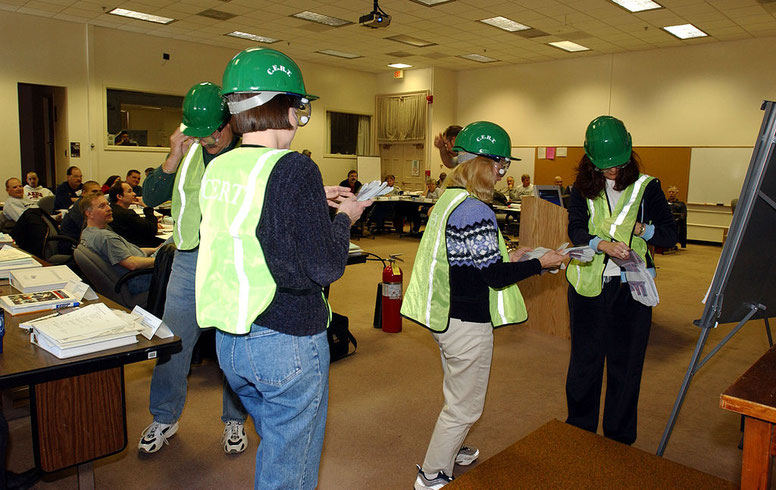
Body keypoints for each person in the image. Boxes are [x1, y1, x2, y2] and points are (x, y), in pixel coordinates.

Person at [195, 47, 370, 489]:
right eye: (300, 107)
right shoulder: (295, 168)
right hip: (286, 340)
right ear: (285, 108)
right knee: (289, 467)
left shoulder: (219, 165)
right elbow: (325, 266)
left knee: (274, 444)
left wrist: (314, 203)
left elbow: (256, 225)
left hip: (231, 342)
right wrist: (345, 218)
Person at [401, 121, 565, 490]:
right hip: (467, 321)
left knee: (456, 391)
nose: (502, 173)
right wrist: (542, 263)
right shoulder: (476, 210)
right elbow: (493, 276)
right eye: (498, 165)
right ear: (476, 163)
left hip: (446, 315)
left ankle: (451, 448)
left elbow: (470, 259)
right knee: (465, 405)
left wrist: (513, 253)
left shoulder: (449, 200)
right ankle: (431, 474)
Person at [140, 81, 248, 455]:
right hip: (189, 260)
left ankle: (234, 419)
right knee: (173, 345)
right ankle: (164, 417)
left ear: (230, 122)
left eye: (212, 133)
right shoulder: (189, 151)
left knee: (233, 347)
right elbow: (151, 196)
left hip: (232, 262)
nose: (207, 141)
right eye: (198, 135)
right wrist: (173, 154)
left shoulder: (248, 152)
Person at [564, 115, 676, 446]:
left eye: (618, 165)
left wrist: (644, 230)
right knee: (584, 363)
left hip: (632, 291)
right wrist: (600, 244)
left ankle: (618, 438)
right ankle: (579, 430)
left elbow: (671, 234)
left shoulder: (647, 186)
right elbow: (576, 228)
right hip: (588, 288)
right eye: (604, 167)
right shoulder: (582, 189)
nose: (612, 172)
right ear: (590, 160)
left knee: (625, 368)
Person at [80, 193, 156, 294]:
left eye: (108, 204)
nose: (109, 209)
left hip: (139, 269)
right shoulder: (106, 238)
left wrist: (155, 249)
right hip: (140, 277)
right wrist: (160, 259)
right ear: (89, 214)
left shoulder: (87, 232)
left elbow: (125, 253)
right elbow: (132, 264)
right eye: (102, 206)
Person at [108, 182, 160, 247]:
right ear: (119, 196)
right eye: (129, 191)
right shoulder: (126, 214)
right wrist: (147, 206)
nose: (134, 194)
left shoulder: (112, 209)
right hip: (138, 247)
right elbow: (152, 230)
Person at [59, 180, 102, 253]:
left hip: (84, 241)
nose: (97, 195)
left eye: (100, 192)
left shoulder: (90, 206)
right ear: (84, 193)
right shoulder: (80, 207)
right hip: (71, 244)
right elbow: (89, 230)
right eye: (94, 192)